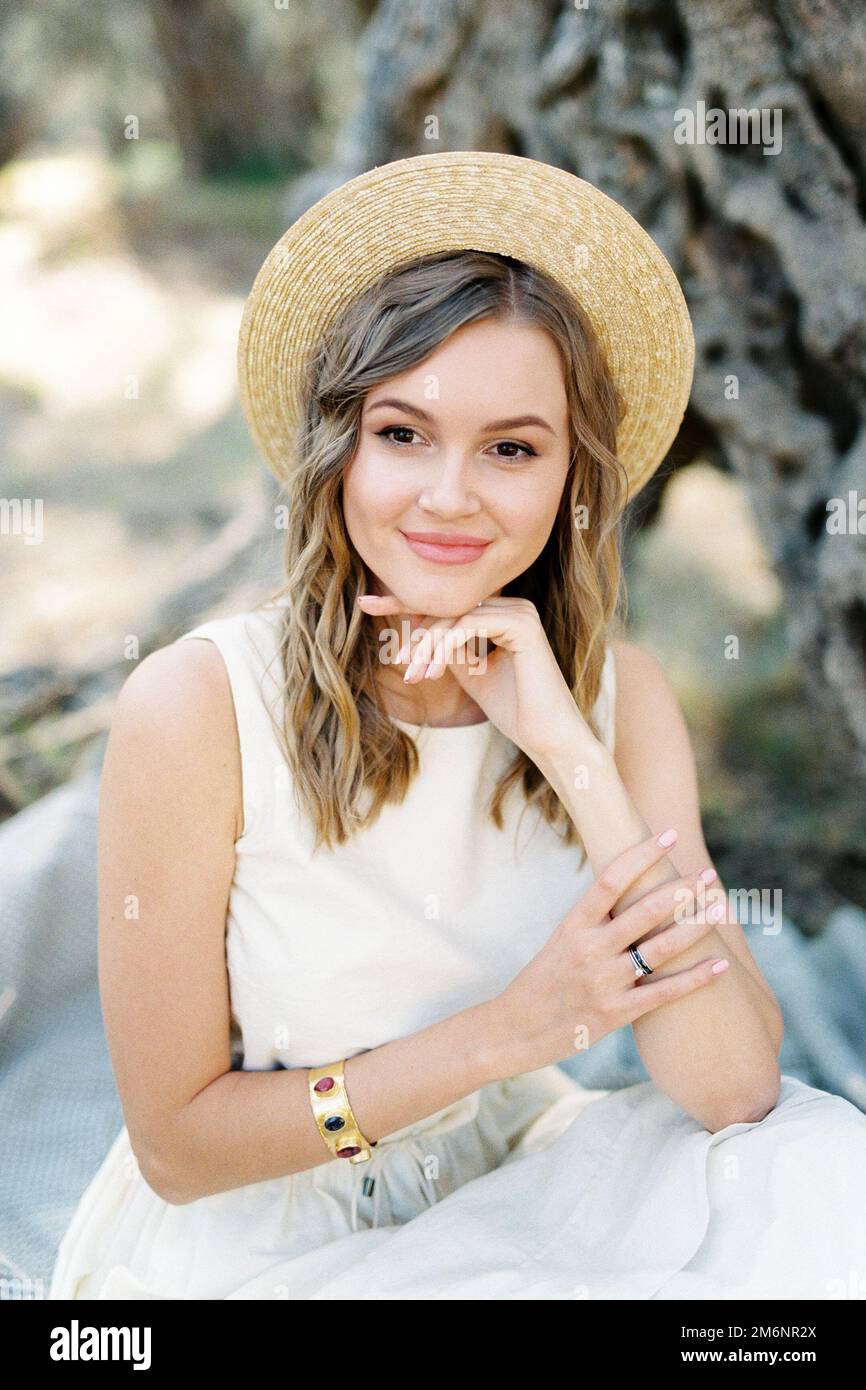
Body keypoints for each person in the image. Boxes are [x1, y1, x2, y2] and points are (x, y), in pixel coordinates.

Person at [49, 151, 866, 1301]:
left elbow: (732, 1086)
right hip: (267, 1233)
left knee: (818, 1161)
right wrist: (516, 1031)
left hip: (501, 1181)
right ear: (338, 449)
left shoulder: (612, 702)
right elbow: (178, 1150)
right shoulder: (197, 707)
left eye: (511, 448)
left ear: (570, 478)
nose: (447, 496)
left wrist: (571, 749)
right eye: (402, 433)